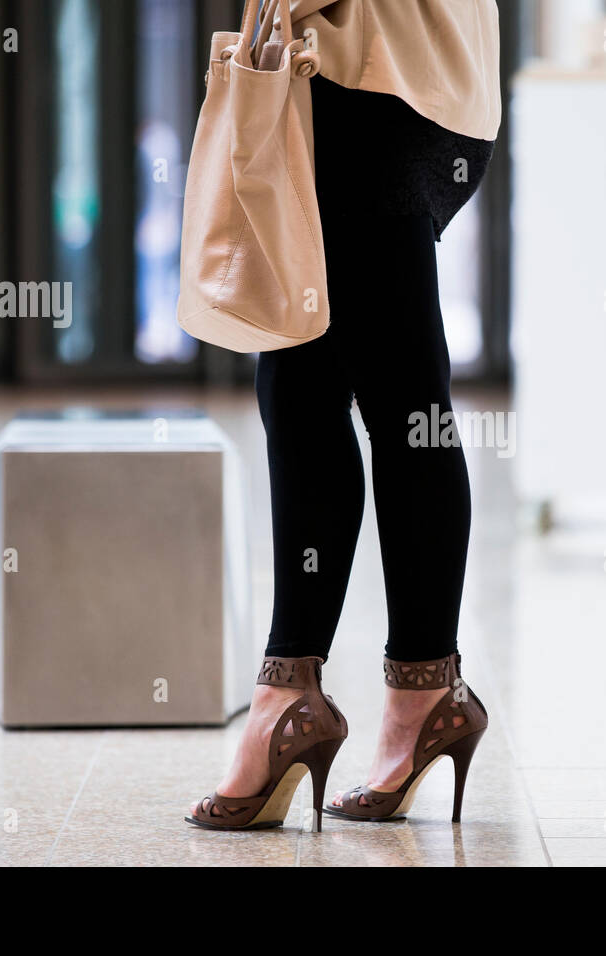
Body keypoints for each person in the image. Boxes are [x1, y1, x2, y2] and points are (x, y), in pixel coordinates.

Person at [187, 0, 501, 831]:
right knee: (300, 390)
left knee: (397, 400)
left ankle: (416, 692)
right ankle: (294, 694)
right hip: (362, 71)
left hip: (379, 76)